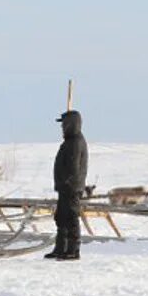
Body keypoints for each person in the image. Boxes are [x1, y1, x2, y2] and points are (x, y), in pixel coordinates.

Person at [46, 110, 88, 261]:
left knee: (71, 217)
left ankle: (72, 250)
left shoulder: (76, 142)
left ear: (70, 124)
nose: (62, 127)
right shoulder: (70, 141)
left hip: (71, 188)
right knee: (61, 218)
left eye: (64, 124)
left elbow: (73, 167)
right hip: (65, 187)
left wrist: (68, 181)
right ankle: (61, 248)